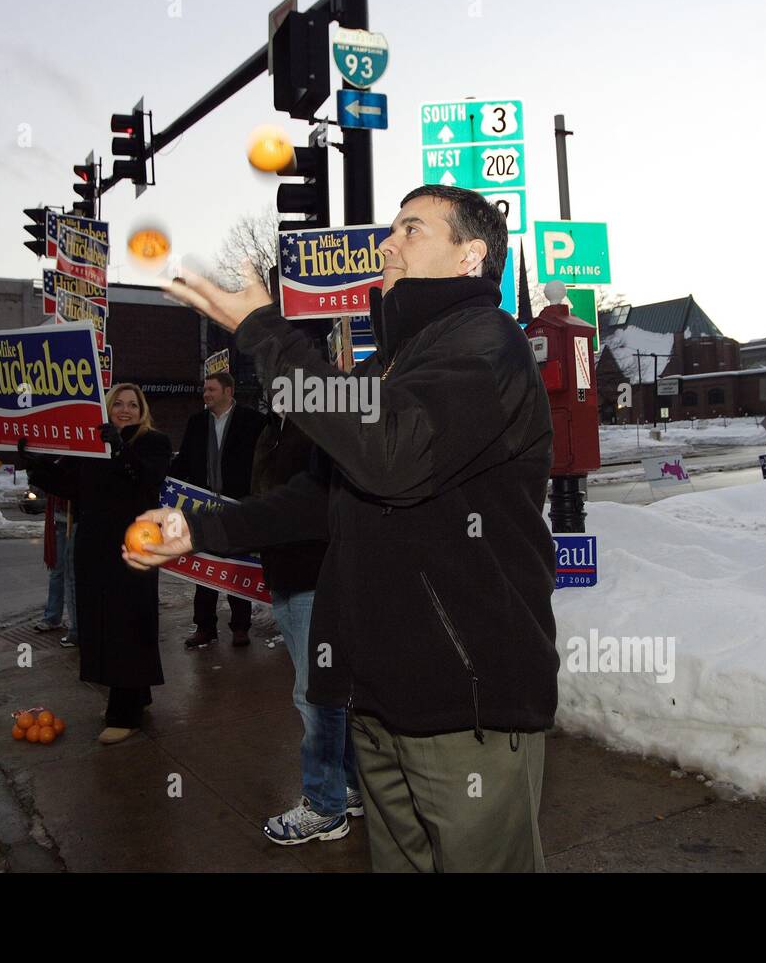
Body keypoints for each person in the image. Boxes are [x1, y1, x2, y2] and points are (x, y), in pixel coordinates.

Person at [127, 184, 559, 872]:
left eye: (412, 230)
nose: (388, 242)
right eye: (392, 229)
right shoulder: (394, 361)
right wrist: (198, 529)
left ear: (470, 256)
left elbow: (388, 453)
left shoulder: (487, 347)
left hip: (464, 705)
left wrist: (263, 333)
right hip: (378, 701)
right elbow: (317, 497)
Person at [20, 383, 171, 744]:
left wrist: (119, 449)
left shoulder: (154, 442)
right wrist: (35, 465)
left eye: (133, 404)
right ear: (107, 407)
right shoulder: (91, 443)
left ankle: (125, 712)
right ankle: (137, 693)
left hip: (135, 546)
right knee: (101, 621)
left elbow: (148, 480)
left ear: (142, 410)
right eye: (118, 403)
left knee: (128, 623)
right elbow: (71, 485)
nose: (125, 410)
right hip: (94, 545)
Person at [252, 412, 362, 845]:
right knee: (326, 691)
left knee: (315, 693)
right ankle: (346, 788)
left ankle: (324, 807)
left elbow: (329, 499)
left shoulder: (319, 424)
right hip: (282, 573)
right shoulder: (270, 429)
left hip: (315, 575)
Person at [169, 370, 265, 648]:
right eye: (205, 390)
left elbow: (262, 462)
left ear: (228, 392)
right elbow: (184, 461)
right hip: (203, 505)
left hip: (238, 506)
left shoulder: (253, 422)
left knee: (238, 565)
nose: (206, 394)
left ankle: (240, 626)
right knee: (204, 568)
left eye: (211, 389)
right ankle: (205, 627)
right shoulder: (197, 422)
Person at [33, 491, 77, 646]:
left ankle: (75, 627)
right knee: (57, 572)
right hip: (60, 520)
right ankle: (52, 617)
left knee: (72, 576)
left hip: (77, 520)